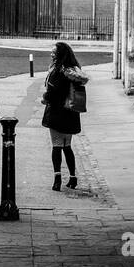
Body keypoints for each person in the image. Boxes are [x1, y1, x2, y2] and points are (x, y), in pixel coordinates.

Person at [41, 41, 88, 190]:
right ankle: (73, 177)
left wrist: (44, 98)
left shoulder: (58, 71)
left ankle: (57, 179)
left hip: (57, 112)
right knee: (67, 146)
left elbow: (52, 93)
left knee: (56, 145)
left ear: (59, 54)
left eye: (54, 52)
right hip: (71, 112)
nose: (51, 54)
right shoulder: (75, 71)